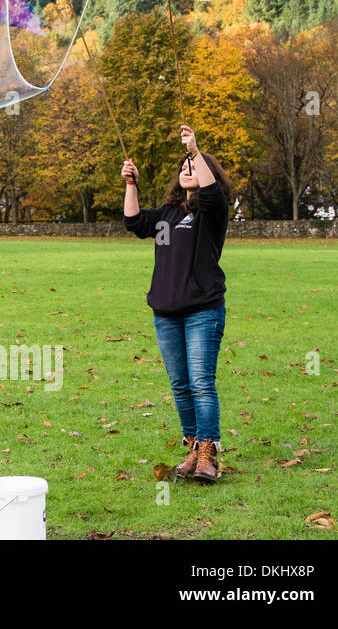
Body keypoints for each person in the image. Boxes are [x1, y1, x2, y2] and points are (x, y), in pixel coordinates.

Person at [122, 125, 235, 484]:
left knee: (201, 382)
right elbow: (134, 222)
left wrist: (195, 151)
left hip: (203, 309)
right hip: (166, 313)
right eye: (184, 166)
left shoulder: (211, 213)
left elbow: (213, 196)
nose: (187, 168)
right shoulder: (167, 216)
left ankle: (207, 453)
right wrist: (131, 184)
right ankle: (192, 445)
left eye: (195, 166)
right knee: (181, 384)